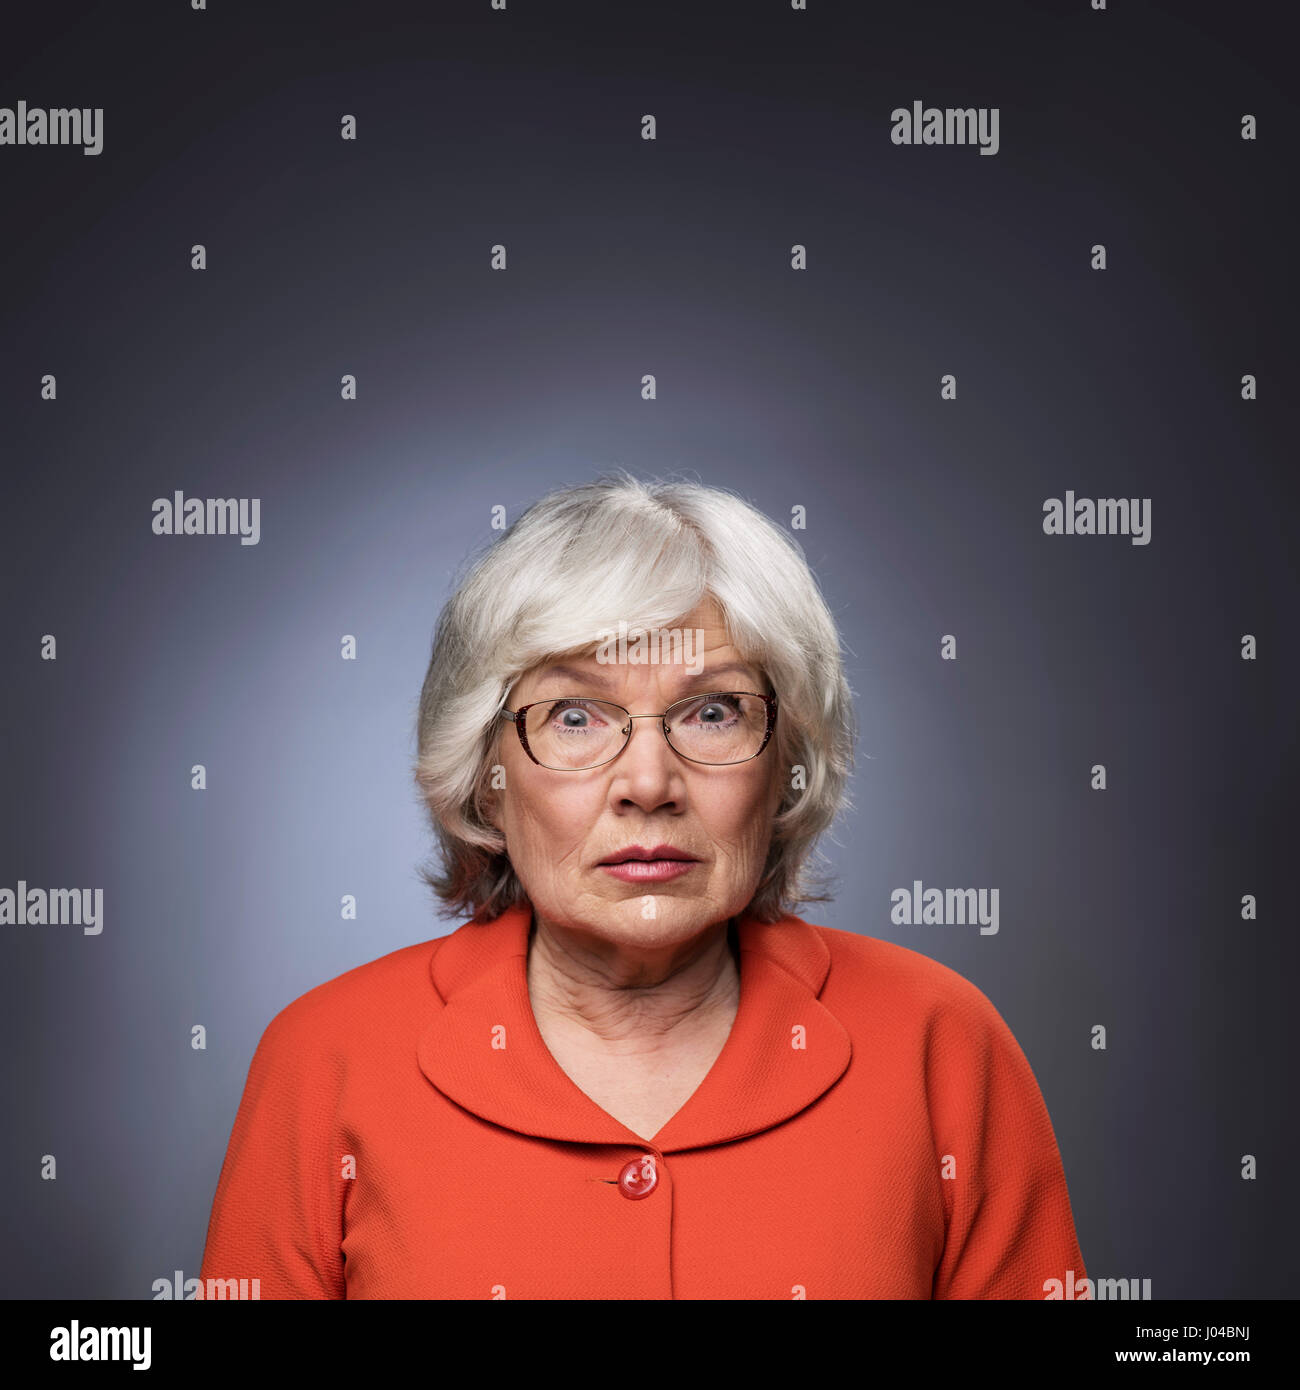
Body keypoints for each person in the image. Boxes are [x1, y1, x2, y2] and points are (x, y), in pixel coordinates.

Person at [199, 471, 1086, 1299]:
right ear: (484, 774)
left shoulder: (942, 1044)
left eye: (713, 711)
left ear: (788, 766)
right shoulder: (325, 1060)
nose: (650, 783)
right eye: (576, 716)